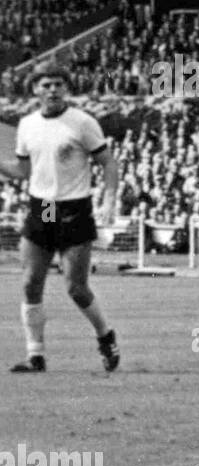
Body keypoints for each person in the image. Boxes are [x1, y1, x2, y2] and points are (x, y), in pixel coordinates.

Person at [0, 60, 120, 373]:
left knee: (76, 288)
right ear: (35, 90)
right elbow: (24, 172)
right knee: (30, 283)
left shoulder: (81, 122)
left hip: (73, 208)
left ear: (66, 87)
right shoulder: (27, 125)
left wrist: (109, 200)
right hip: (44, 207)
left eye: (58, 84)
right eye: (46, 85)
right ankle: (35, 354)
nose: (52, 89)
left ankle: (105, 335)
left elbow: (108, 163)